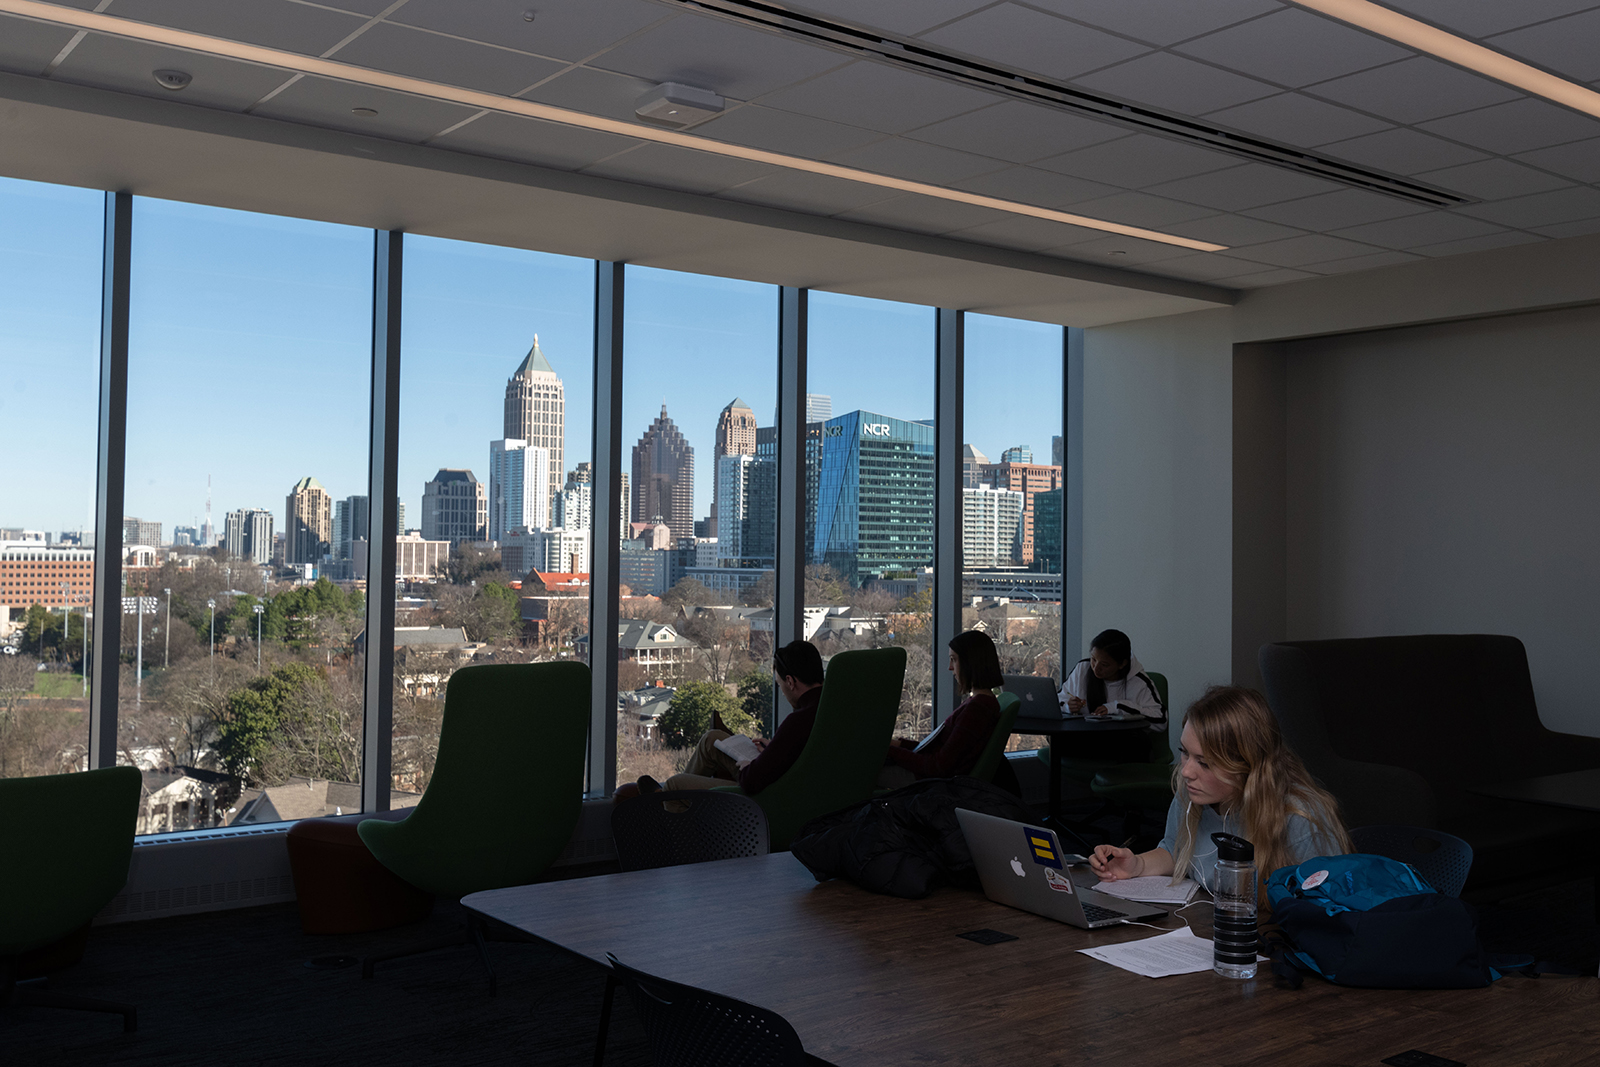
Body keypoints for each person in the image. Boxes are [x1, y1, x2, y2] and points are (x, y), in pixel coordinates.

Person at [1088, 685, 1352, 894]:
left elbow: (1329, 911)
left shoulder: (1300, 820)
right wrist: (1137, 865)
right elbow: (1175, 851)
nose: (1187, 771)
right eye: (1185, 753)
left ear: (1246, 765)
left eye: (1204, 762)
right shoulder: (1192, 793)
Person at [613, 640, 825, 801]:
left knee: (675, 784)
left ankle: (666, 807)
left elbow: (752, 781)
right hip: (782, 775)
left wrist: (749, 765)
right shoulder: (829, 707)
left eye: (780, 685)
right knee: (711, 739)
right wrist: (772, 750)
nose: (783, 693)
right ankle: (673, 802)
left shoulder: (799, 720)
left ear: (790, 681)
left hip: (769, 793)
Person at [877, 630, 1003, 790]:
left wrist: (890, 751)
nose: (950, 668)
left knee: (857, 772)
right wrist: (900, 744)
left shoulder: (977, 709)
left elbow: (937, 767)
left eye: (954, 660)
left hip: (929, 781)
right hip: (930, 776)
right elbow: (939, 751)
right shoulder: (983, 704)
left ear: (970, 663)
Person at [1056, 628, 1165, 762]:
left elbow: (1161, 721)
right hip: (1086, 738)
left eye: (1105, 664)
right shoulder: (1082, 670)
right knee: (1055, 738)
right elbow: (1058, 700)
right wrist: (1068, 706)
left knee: (1135, 744)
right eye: (1093, 659)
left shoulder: (1139, 682)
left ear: (1122, 664)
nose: (1096, 668)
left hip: (1121, 742)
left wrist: (1118, 706)